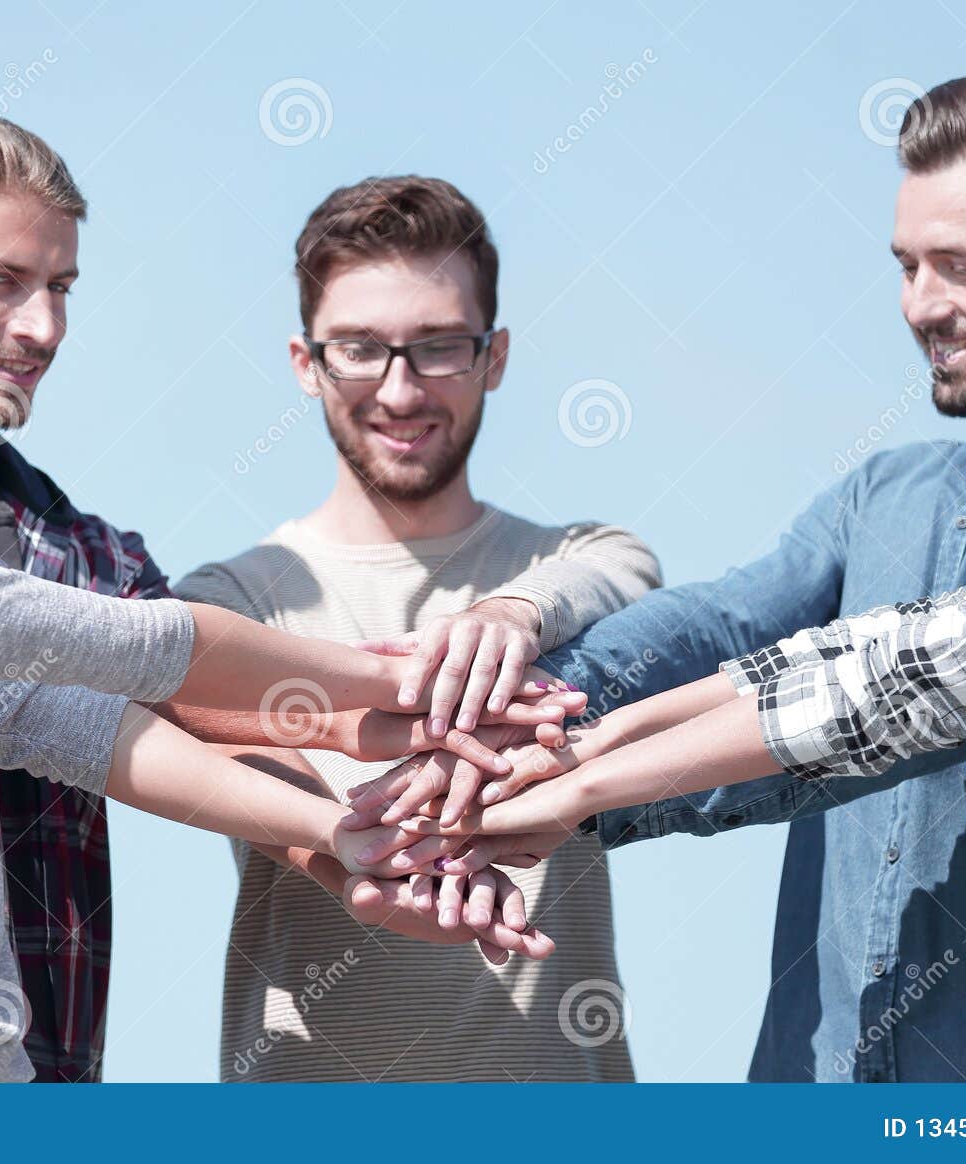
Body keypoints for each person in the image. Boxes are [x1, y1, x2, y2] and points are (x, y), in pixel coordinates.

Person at [0, 164, 548, 1084]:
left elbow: (56, 716)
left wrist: (345, 829)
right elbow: (139, 646)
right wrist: (404, 681)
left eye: (60, 288)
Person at [416, 90, 966, 1083]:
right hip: (823, 1076)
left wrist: (578, 782)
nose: (922, 305)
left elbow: (930, 685)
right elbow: (735, 629)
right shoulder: (882, 496)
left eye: (963, 268)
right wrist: (526, 702)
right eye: (906, 267)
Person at [174, 175, 660, 1081]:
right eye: (360, 349)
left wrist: (511, 614)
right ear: (304, 360)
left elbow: (625, 577)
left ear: (496, 355)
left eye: (438, 347)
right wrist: (359, 845)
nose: (399, 390)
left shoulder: (581, 564)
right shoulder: (231, 600)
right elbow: (197, 728)